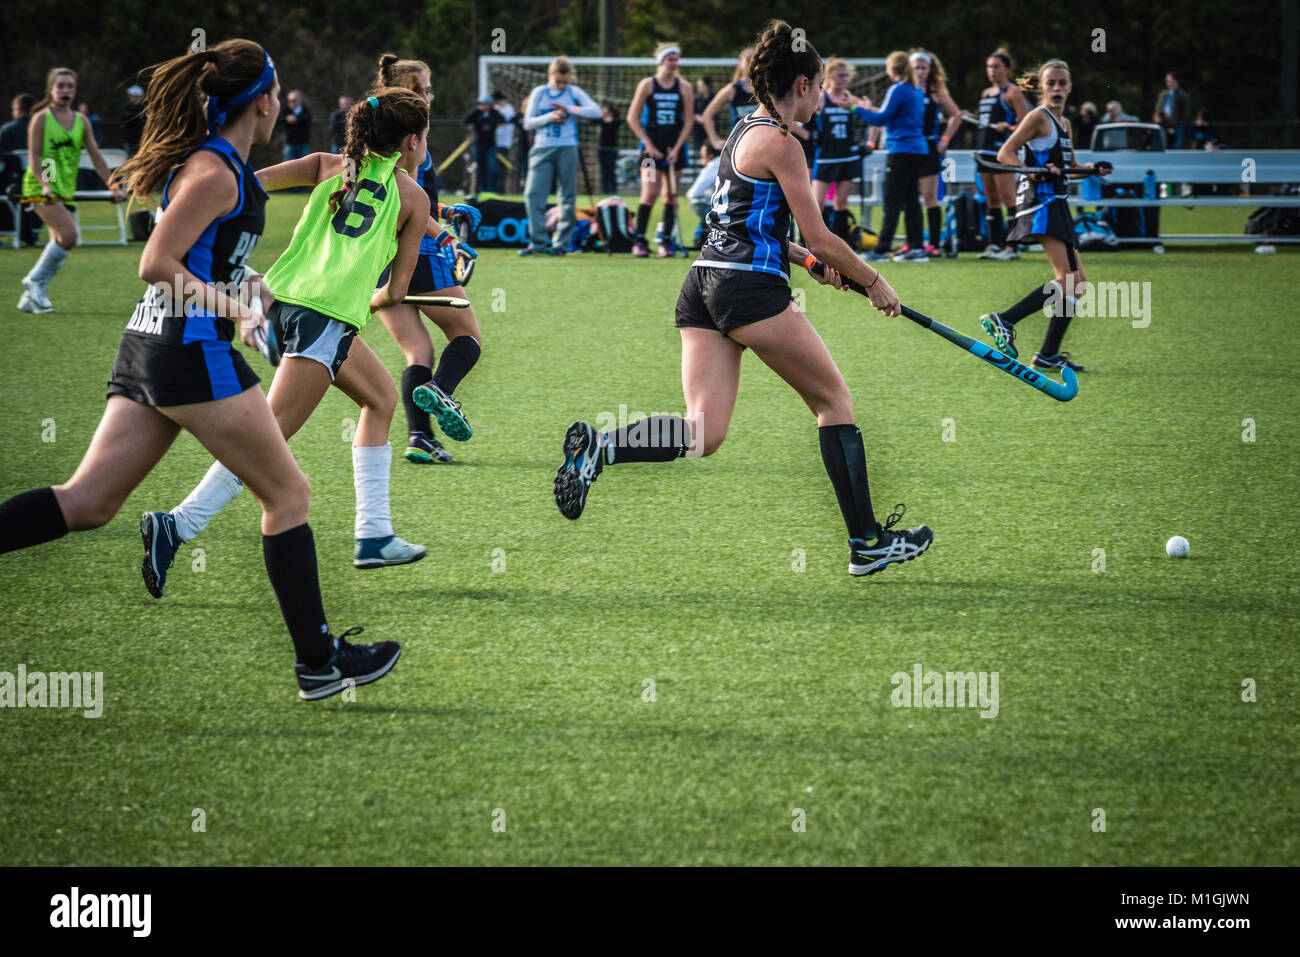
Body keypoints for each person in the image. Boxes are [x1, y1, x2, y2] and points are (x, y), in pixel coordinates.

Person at [0, 40, 399, 701]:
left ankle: (319, 660)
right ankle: (320, 662)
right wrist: (237, 310)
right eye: (278, 92)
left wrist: (252, 287)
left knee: (89, 503)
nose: (281, 103)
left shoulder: (226, 166)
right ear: (262, 101)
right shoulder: (214, 170)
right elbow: (156, 263)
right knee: (288, 496)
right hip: (189, 351)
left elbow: (206, 260)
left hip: (153, 344)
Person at [552, 20, 933, 579]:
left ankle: (600, 449)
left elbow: (755, 226)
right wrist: (874, 282)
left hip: (702, 284)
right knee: (833, 404)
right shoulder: (784, 143)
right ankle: (868, 543)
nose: (822, 97)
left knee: (703, 432)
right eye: (819, 86)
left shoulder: (743, 129)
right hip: (747, 288)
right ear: (801, 84)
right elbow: (822, 235)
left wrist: (807, 262)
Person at [143, 86, 432, 582]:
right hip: (325, 319)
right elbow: (397, 291)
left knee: (382, 398)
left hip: (277, 304)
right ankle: (177, 525)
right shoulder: (414, 198)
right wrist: (368, 300)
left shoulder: (327, 164)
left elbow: (244, 186)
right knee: (270, 438)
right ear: (411, 141)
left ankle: (375, 534)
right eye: (424, 138)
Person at [371, 53, 484, 467]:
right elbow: (410, 202)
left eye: (429, 90)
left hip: (378, 262)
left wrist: (445, 210)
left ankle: (420, 437)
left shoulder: (373, 132)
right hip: (416, 255)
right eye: (421, 90)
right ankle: (441, 391)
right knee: (467, 338)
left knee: (418, 352)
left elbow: (396, 198)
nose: (428, 97)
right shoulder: (412, 136)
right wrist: (447, 236)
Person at [979, 59, 1108, 375]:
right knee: (1069, 279)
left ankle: (1048, 354)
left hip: (1057, 203)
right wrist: (1033, 172)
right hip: (1040, 204)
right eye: (1051, 83)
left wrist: (1092, 170)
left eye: (1062, 83)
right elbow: (1005, 153)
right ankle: (1004, 319)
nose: (1057, 88)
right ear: (1041, 87)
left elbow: (1069, 168)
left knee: (1077, 284)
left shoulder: (1065, 124)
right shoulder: (1038, 117)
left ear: (1070, 87)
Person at [17, 67, 125, 314]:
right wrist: (46, 185)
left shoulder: (81, 121)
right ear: (51, 89)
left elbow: (96, 157)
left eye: (70, 86)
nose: (65, 90)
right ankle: (34, 281)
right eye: (60, 86)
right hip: (40, 185)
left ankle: (31, 297)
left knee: (61, 242)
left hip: (65, 188)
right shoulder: (41, 119)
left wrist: (113, 185)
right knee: (69, 236)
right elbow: (35, 158)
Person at [519, 56, 601, 257]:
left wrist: (571, 109)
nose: (562, 85)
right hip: (542, 148)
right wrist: (550, 117)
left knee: (567, 196)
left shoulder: (574, 92)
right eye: (558, 81)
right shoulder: (539, 92)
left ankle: (562, 244)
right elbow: (528, 123)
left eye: (566, 81)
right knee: (533, 194)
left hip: (567, 147)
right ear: (550, 75)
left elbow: (596, 111)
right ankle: (537, 242)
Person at [854, 52, 929, 263]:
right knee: (911, 199)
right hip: (917, 150)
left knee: (892, 200)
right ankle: (916, 247)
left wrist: (854, 108)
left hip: (902, 150)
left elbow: (880, 119)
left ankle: (881, 249)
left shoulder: (898, 89)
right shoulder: (916, 89)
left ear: (891, 69)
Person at [626, 42, 694, 257]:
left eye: (676, 59)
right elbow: (632, 118)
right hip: (650, 152)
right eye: (670, 59)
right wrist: (648, 144)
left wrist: (676, 148)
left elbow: (689, 121)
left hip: (674, 148)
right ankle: (639, 240)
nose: (674, 63)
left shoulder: (684, 87)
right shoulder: (647, 85)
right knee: (649, 193)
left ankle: (666, 241)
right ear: (661, 61)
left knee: (671, 196)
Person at [971, 49, 1030, 261]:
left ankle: (1012, 247)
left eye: (996, 67)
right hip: (984, 151)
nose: (992, 71)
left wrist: (1008, 127)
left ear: (1007, 69)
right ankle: (994, 245)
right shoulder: (986, 93)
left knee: (1008, 199)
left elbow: (1026, 125)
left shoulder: (1012, 92)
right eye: (989, 67)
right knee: (991, 200)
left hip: (1001, 153)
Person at [910, 50, 962, 257]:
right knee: (909, 198)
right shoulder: (904, 90)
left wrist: (945, 139)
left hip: (929, 149)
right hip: (909, 149)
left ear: (930, 70)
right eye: (916, 68)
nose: (920, 72)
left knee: (930, 196)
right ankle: (913, 243)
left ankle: (934, 244)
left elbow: (956, 115)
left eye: (924, 68)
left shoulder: (936, 92)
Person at [809, 58, 864, 244]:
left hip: (847, 157)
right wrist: (807, 135)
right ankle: (815, 241)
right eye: (840, 75)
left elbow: (874, 117)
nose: (844, 79)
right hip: (825, 158)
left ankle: (842, 243)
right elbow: (797, 117)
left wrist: (870, 142)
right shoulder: (822, 98)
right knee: (817, 203)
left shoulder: (851, 100)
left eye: (846, 75)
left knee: (841, 202)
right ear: (830, 76)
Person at [700, 47, 758, 151]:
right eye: (748, 59)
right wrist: (715, 141)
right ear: (740, 64)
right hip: (739, 143)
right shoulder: (732, 89)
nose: (751, 63)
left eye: (754, 59)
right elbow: (707, 115)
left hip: (761, 140)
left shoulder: (766, 88)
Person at [0, 94, 39, 245]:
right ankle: (30, 231)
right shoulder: (42, 130)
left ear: (17, 110)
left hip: (12, 182)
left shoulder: (6, 130)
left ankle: (13, 229)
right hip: (40, 180)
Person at [464, 94, 503, 193]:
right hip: (478, 145)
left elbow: (501, 119)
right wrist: (481, 119)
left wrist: (487, 123)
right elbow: (467, 120)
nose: (484, 106)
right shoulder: (476, 113)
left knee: (492, 168)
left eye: (486, 104)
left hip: (491, 145)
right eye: (481, 104)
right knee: (480, 168)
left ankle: (492, 189)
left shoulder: (494, 113)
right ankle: (483, 190)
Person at [686, 141, 719, 247]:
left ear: (711, 155)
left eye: (702, 155)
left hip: (715, 204)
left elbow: (694, 193)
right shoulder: (724, 162)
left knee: (699, 204)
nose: (701, 158)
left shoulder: (712, 166)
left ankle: (701, 239)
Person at [1153, 72, 1190, 148]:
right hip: (1162, 125)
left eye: (1170, 81)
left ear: (1176, 81)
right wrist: (1158, 117)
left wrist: (1177, 124)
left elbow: (1185, 113)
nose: (1168, 83)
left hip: (1176, 126)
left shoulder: (1183, 95)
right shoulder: (1162, 94)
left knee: (1176, 148)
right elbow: (1157, 109)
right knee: (1161, 146)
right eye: (1167, 81)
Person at [492, 90, 516, 190]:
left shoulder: (508, 109)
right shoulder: (495, 108)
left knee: (502, 168)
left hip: (504, 143)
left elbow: (501, 122)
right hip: (492, 143)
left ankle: (501, 188)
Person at [279, 89, 311, 161]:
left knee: (304, 164)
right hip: (290, 143)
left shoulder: (305, 109)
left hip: (303, 144)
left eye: (293, 100)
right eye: (289, 101)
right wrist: (286, 119)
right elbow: (279, 118)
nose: (291, 103)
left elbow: (308, 119)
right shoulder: (286, 110)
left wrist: (297, 119)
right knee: (288, 165)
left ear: (299, 100)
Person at [597, 102, 620, 194]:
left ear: (611, 113)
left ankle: (613, 189)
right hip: (602, 148)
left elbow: (619, 121)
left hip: (612, 149)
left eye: (605, 112)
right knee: (603, 170)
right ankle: (605, 190)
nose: (603, 114)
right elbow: (593, 121)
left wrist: (610, 120)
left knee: (611, 169)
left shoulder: (615, 121)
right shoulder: (601, 121)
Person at [120, 85, 147, 156]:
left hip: (140, 139)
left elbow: (142, 121)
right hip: (129, 140)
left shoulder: (143, 108)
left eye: (134, 96)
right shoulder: (126, 108)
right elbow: (125, 120)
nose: (132, 97)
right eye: (131, 96)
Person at [691, 77, 713, 151]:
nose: (698, 88)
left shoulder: (714, 98)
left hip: (712, 128)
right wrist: (700, 119)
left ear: (706, 86)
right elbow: (693, 113)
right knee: (698, 149)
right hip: (698, 129)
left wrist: (707, 120)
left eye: (700, 86)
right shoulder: (696, 99)